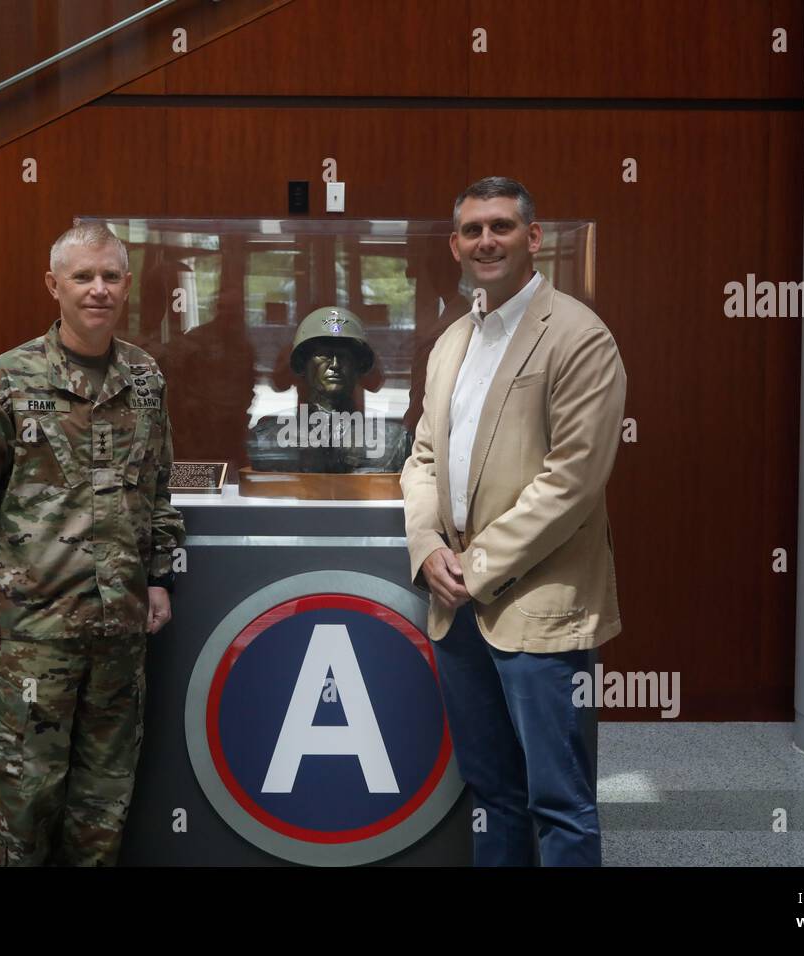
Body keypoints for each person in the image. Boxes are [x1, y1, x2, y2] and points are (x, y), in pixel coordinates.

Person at [0, 223, 185, 866]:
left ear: (126, 284)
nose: (99, 289)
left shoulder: (145, 377)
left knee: (105, 796)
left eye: (111, 276)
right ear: (54, 286)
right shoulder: (9, 378)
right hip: (32, 632)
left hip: (119, 626)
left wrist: (159, 577)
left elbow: (158, 487)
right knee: (29, 792)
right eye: (83, 276)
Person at [400, 177, 627, 866]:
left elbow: (574, 479)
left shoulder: (579, 337)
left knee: (559, 802)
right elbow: (422, 457)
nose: (485, 241)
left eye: (501, 227)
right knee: (492, 793)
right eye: (472, 230)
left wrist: (479, 565)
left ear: (533, 238)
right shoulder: (452, 343)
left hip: (538, 604)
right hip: (456, 602)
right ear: (455, 246)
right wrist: (426, 542)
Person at [248, 307, 411, 473]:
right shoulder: (266, 439)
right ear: (303, 364)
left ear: (358, 366)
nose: (335, 365)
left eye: (344, 356)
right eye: (324, 354)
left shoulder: (395, 440)